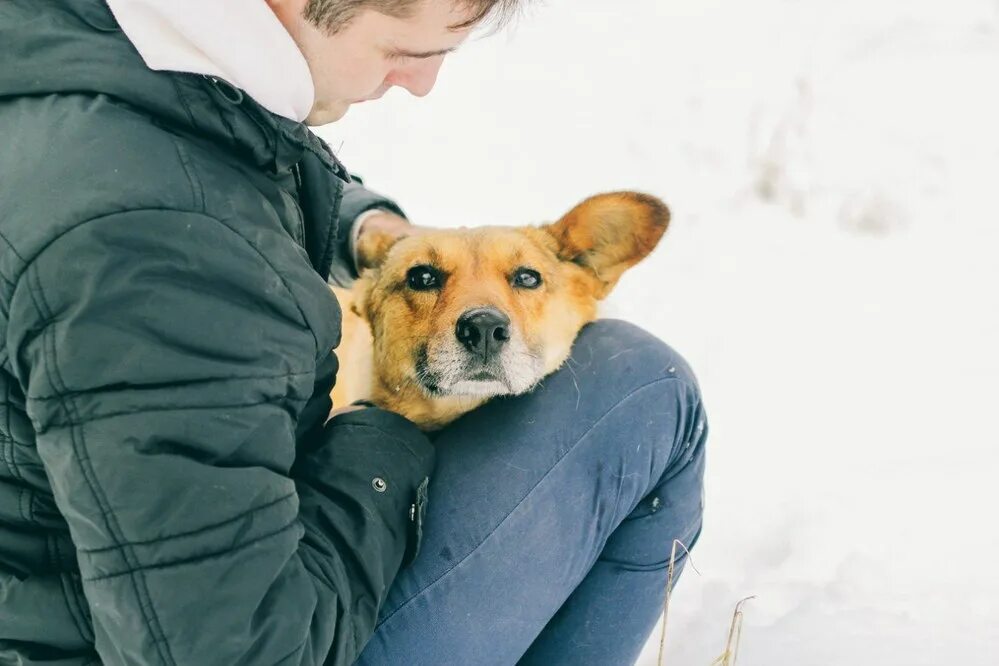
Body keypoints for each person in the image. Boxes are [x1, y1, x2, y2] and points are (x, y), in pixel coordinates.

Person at [0, 0, 708, 664]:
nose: (423, 82)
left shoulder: (90, 51)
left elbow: (219, 157)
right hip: (213, 637)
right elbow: (229, 650)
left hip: (71, 594)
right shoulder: (153, 250)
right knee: (639, 387)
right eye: (405, 49)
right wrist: (384, 433)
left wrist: (365, 226)